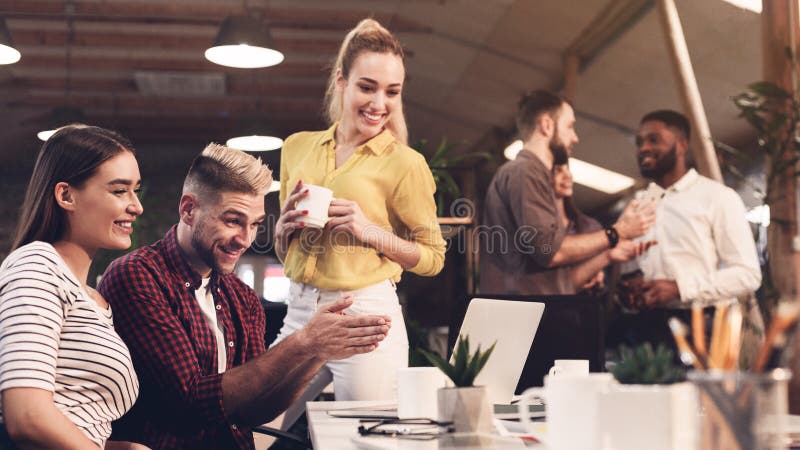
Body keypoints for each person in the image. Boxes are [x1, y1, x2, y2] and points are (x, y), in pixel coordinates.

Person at [97, 144, 391, 449]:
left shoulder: (242, 297)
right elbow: (190, 402)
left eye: (254, 224)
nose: (245, 239)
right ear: (188, 210)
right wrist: (303, 342)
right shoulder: (137, 276)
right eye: (233, 220)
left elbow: (253, 409)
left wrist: (319, 351)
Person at [272, 18, 446, 426]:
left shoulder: (405, 164)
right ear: (341, 80)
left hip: (366, 317)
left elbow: (432, 257)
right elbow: (288, 252)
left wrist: (368, 229)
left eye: (392, 92)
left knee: (363, 439)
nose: (379, 103)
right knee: (251, 431)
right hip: (300, 310)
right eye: (367, 87)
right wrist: (281, 233)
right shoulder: (297, 147)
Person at [0, 124, 142, 449]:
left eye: (136, 190)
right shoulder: (37, 265)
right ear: (66, 195)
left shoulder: (94, 299)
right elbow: (27, 416)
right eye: (120, 191)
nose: (136, 206)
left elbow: (75, 419)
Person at [616, 110, 763, 360]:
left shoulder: (717, 197)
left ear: (682, 145)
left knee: (698, 401)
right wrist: (630, 288)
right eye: (640, 142)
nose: (643, 148)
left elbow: (747, 274)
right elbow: (626, 267)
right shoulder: (638, 204)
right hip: (642, 330)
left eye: (654, 139)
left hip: (700, 329)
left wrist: (679, 288)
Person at [479, 89, 655, 296]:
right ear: (546, 125)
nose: (575, 137)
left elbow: (557, 284)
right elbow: (550, 252)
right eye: (570, 126)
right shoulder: (525, 171)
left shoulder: (533, 175)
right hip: (522, 318)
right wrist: (618, 231)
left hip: (536, 315)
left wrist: (607, 255)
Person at [552, 163, 605, 293]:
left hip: (584, 307)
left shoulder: (591, 227)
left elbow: (605, 280)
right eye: (558, 171)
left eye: (568, 169)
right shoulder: (532, 231)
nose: (567, 175)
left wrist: (599, 275)